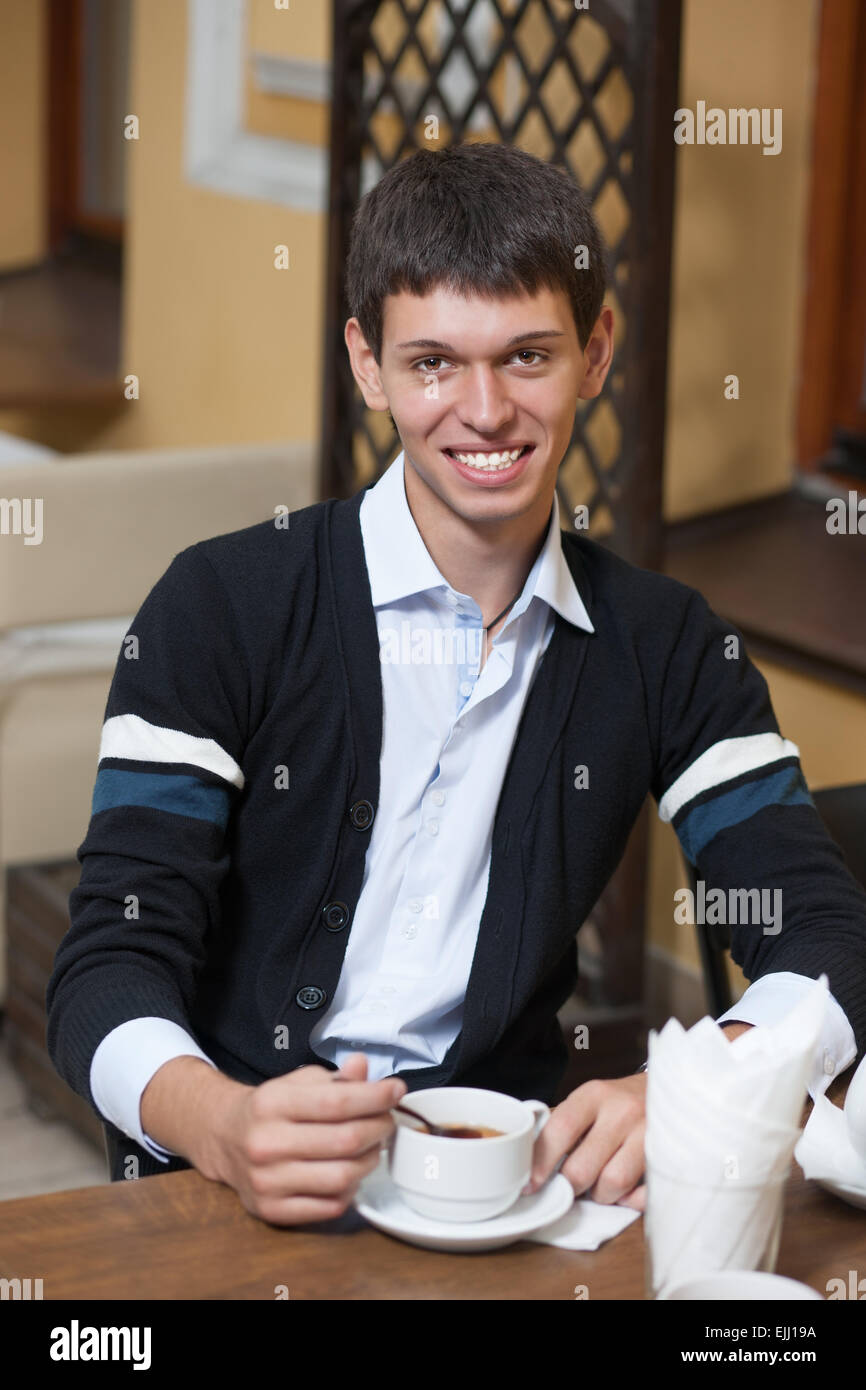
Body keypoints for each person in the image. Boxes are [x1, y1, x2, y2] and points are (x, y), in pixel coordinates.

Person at [46, 143, 866, 1229]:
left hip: (508, 1192)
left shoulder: (664, 645)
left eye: (526, 356)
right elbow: (109, 962)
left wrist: (703, 1070)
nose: (483, 411)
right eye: (433, 362)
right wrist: (214, 1120)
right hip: (229, 1183)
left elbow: (826, 933)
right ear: (368, 364)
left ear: (597, 350)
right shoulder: (219, 606)